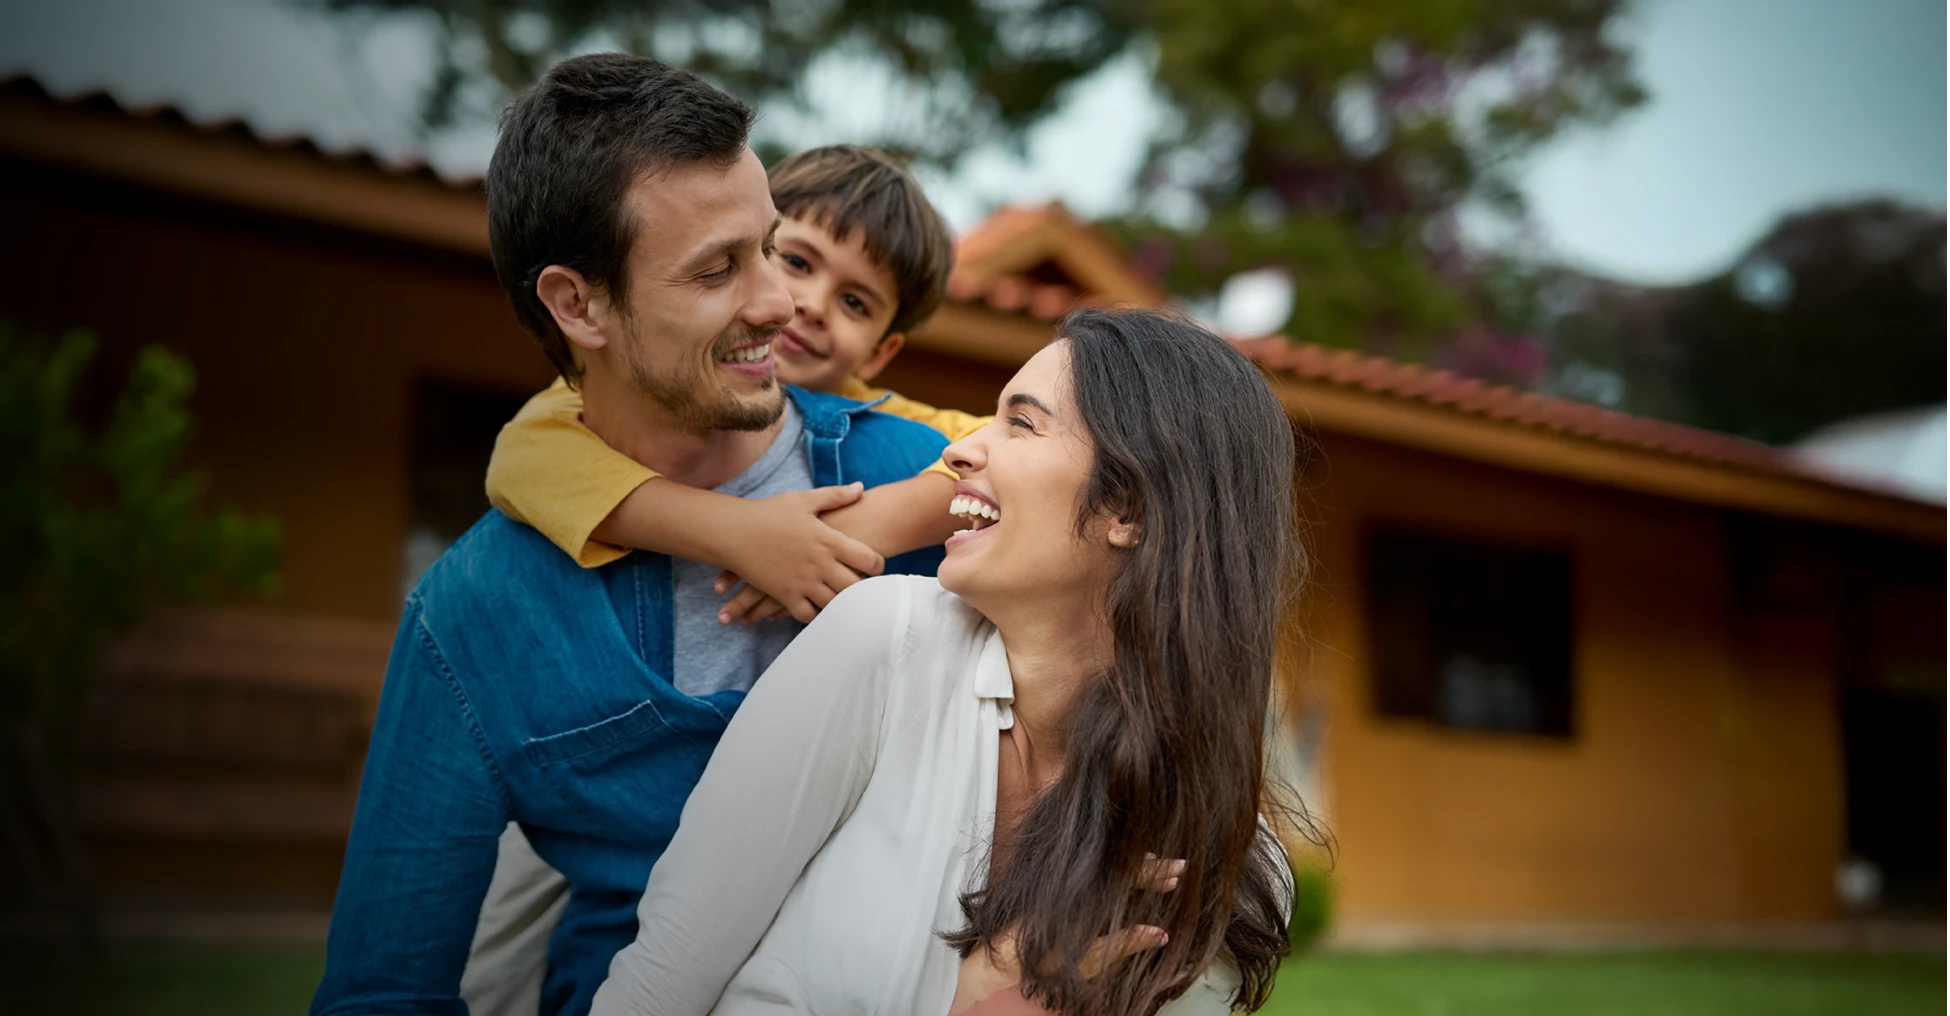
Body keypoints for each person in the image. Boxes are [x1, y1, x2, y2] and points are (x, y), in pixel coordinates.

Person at [310, 55, 956, 1016]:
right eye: (718, 269)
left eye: (767, 246)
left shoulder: (926, 478)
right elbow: (384, 991)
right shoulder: (477, 613)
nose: (780, 305)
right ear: (577, 305)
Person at [591, 308, 1302, 1016]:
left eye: (1020, 423)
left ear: (1128, 509)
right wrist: (979, 994)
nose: (960, 450)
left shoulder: (1222, 867)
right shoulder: (883, 641)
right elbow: (660, 981)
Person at [460, 143, 981, 1016]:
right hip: (589, 758)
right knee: (489, 961)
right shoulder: (604, 390)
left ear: (883, 349)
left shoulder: (870, 425)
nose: (809, 305)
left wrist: (875, 522)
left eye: (855, 301)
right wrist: (741, 535)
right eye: (797, 261)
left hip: (740, 785)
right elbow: (520, 458)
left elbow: (1001, 449)